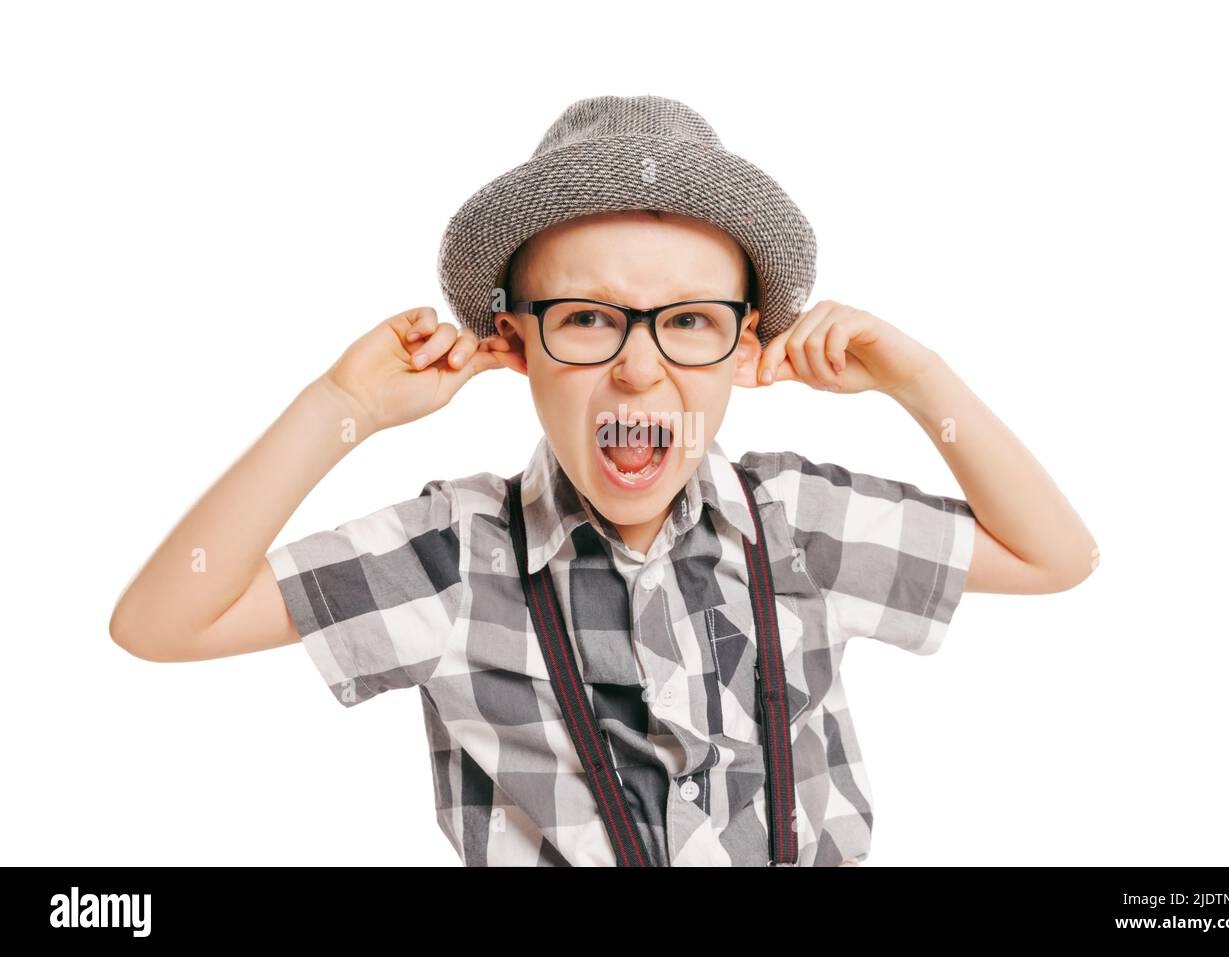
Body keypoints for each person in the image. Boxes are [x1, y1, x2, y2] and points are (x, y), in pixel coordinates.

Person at [109, 95, 1097, 866]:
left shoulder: (795, 523)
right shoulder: (456, 559)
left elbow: (1055, 555)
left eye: (688, 320)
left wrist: (918, 381)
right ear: (513, 345)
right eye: (585, 318)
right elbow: (162, 623)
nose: (636, 369)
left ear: (742, 348)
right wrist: (340, 408)